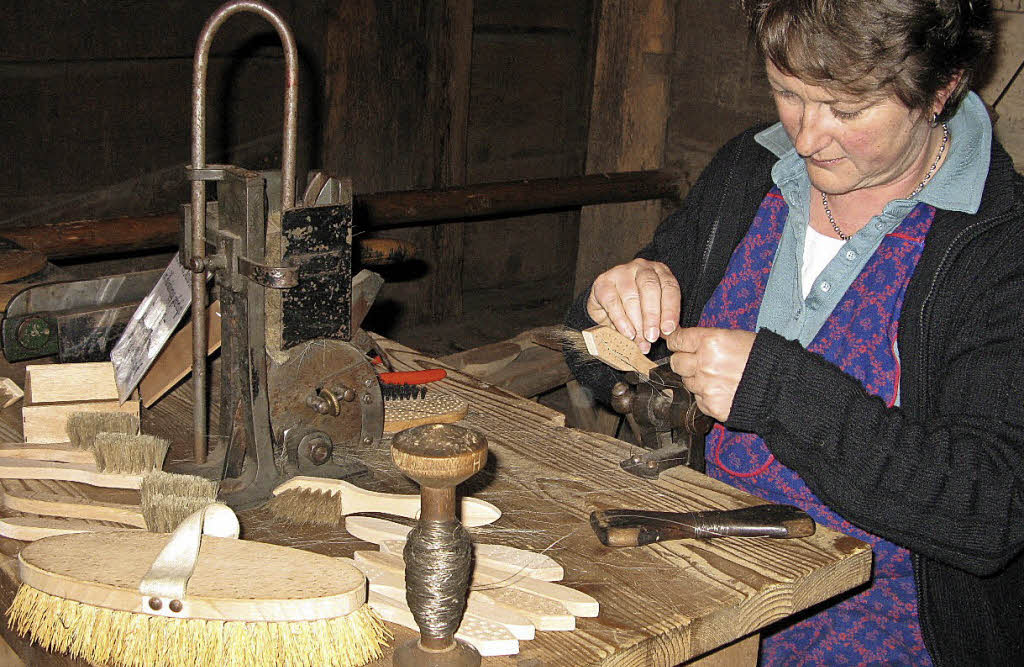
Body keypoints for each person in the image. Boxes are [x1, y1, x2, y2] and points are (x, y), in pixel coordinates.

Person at [565, 1, 1024, 664]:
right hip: (690, 587)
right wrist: (611, 316)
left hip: (884, 630)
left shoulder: (999, 250)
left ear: (941, 88)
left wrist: (781, 393)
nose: (807, 136)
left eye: (847, 107)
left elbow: (990, 512)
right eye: (787, 92)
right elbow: (596, 357)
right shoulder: (751, 172)